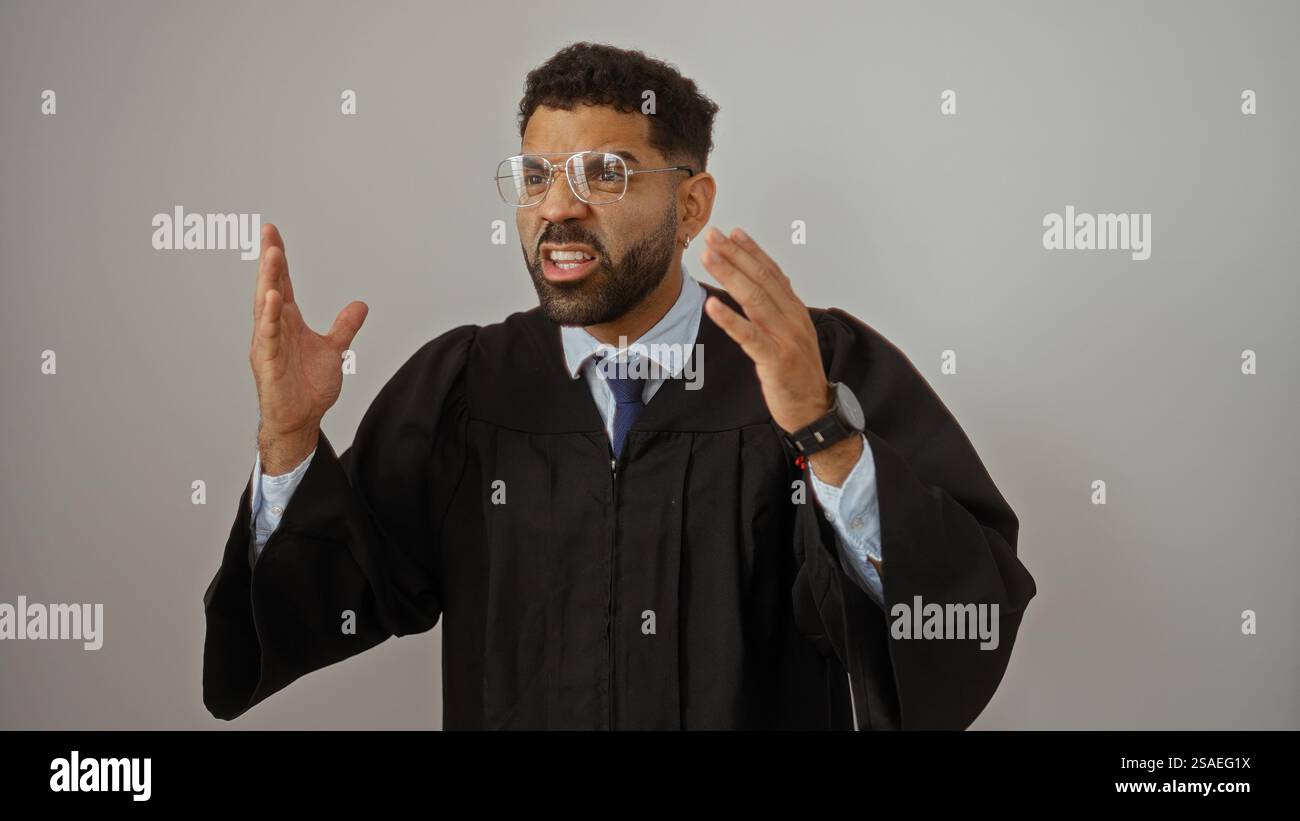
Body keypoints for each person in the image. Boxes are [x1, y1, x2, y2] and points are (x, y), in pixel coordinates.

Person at [202, 42, 1036, 729]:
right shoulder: (468, 388)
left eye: (604, 174)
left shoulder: (809, 361)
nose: (558, 208)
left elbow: (965, 609)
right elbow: (328, 600)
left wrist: (822, 432)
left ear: (691, 205)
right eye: (536, 177)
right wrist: (288, 440)